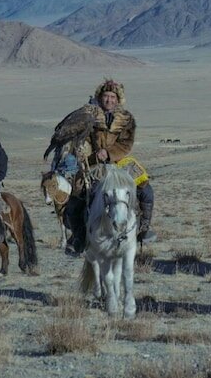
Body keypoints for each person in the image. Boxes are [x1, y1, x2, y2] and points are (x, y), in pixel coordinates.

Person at [64, 79, 156, 256]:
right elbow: (81, 139)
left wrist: (109, 153)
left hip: (119, 161)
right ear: (100, 97)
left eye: (112, 97)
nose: (109, 100)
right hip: (93, 163)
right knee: (77, 194)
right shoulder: (88, 116)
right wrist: (88, 153)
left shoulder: (126, 119)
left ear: (118, 99)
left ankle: (144, 229)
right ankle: (78, 236)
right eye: (106, 96)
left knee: (146, 189)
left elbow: (126, 143)